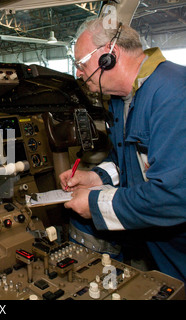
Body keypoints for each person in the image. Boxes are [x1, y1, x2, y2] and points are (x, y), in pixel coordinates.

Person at [59, 17, 186, 285]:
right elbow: (124, 159)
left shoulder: (174, 94)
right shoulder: (122, 99)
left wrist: (94, 204)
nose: (79, 74)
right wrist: (95, 178)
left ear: (109, 56)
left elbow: (172, 196)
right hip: (152, 227)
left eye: (81, 65)